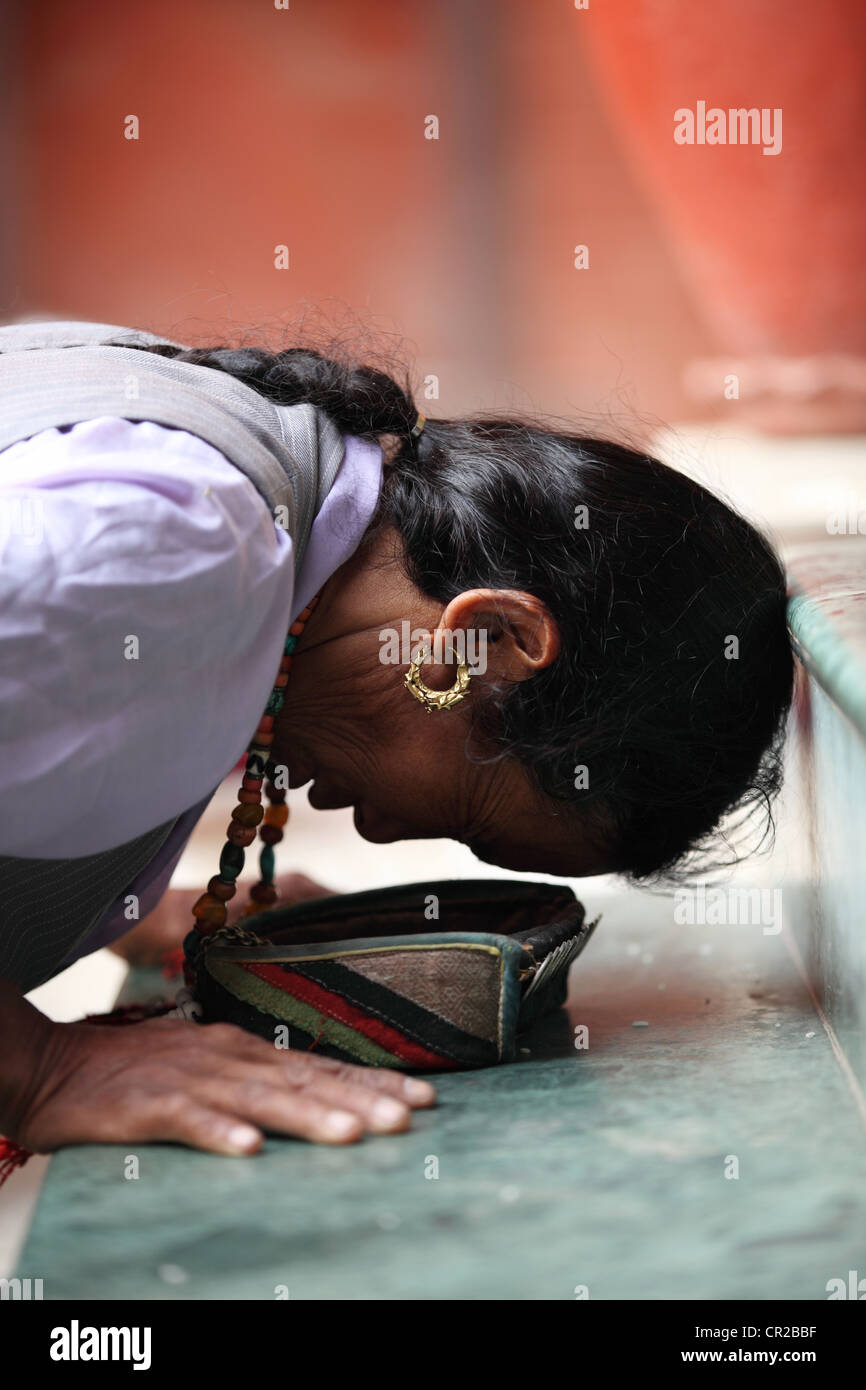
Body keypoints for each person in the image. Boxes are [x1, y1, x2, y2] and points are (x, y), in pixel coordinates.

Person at [0, 321, 794, 1160]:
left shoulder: (249, 495)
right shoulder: (167, 550)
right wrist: (38, 1069)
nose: (376, 834)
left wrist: (122, 902)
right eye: (466, 815)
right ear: (480, 638)